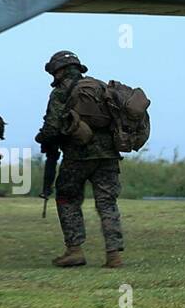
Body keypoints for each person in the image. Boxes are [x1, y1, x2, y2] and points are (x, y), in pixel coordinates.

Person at [35, 50, 124, 268]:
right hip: (108, 155)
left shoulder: (60, 93)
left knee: (67, 198)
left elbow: (52, 127)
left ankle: (74, 250)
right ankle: (114, 255)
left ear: (60, 71)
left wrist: (42, 138)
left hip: (78, 156)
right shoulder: (101, 87)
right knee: (107, 203)